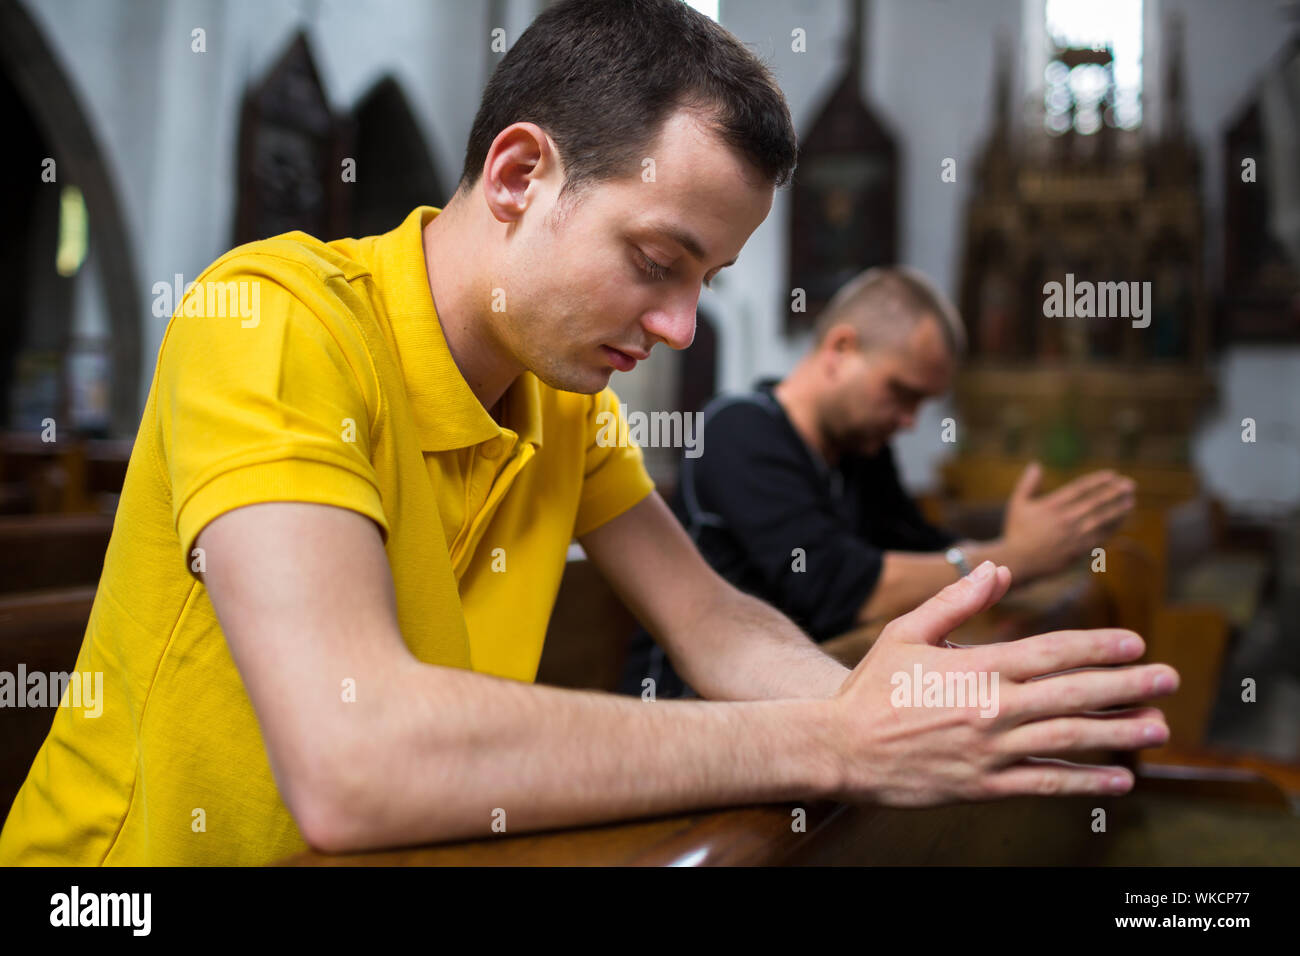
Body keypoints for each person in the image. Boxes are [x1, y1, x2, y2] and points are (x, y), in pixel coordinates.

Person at [0, 0, 1175, 866]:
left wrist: (879, 707)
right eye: (657, 261)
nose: (677, 324)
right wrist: (832, 744)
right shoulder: (269, 316)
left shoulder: (560, 396)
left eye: (705, 279)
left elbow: (712, 619)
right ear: (519, 174)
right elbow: (353, 763)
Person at [623, 266, 1137, 698]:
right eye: (902, 393)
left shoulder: (861, 449)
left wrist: (1013, 548)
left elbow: (920, 545)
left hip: (806, 694)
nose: (910, 420)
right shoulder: (737, 431)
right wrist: (1016, 557)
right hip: (696, 707)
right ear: (841, 348)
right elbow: (840, 590)